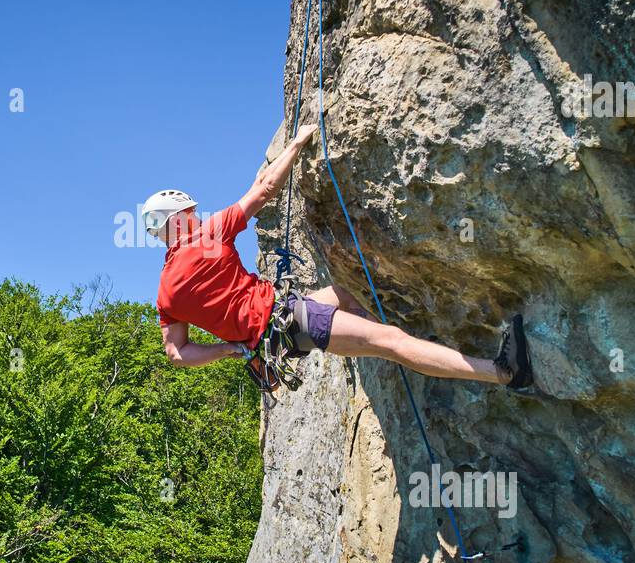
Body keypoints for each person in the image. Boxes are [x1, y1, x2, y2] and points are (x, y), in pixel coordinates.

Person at [144, 123, 532, 388]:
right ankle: (502, 372)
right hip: (291, 320)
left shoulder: (165, 294)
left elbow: (177, 353)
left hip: (274, 341)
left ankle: (382, 341)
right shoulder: (206, 238)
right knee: (392, 341)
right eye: (190, 213)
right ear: (176, 221)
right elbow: (262, 191)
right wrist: (297, 144)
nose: (198, 217)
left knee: (344, 295)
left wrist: (229, 348)